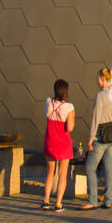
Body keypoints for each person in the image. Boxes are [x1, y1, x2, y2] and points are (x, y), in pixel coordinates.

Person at [82, 68, 112, 210]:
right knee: (108, 167)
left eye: (98, 78)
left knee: (89, 168)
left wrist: (91, 138)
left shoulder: (101, 96)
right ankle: (108, 200)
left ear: (102, 79)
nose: (97, 81)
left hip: (101, 138)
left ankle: (92, 200)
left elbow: (96, 118)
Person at [41, 79, 74, 212]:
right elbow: (70, 127)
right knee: (62, 174)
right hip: (63, 144)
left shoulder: (48, 103)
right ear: (65, 92)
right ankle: (58, 203)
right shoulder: (69, 107)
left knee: (50, 172)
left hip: (50, 142)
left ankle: (46, 200)